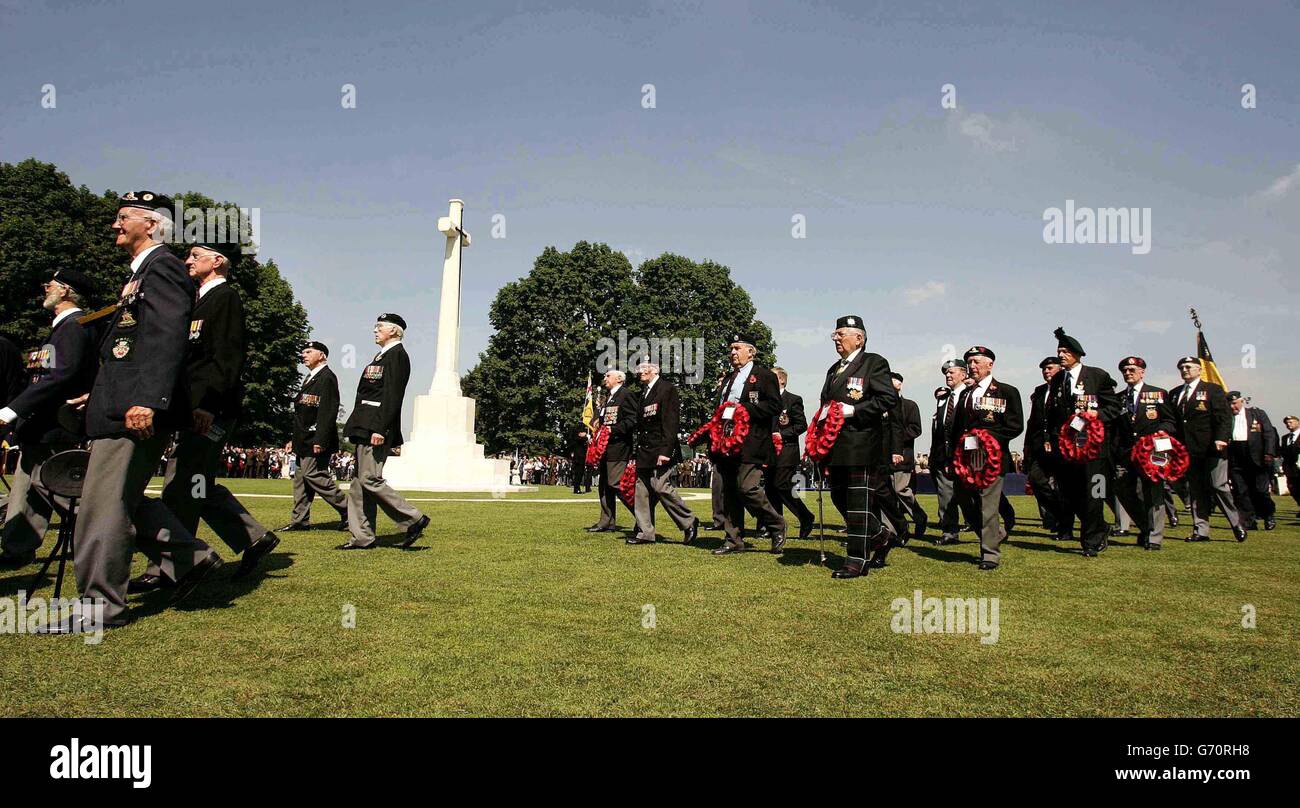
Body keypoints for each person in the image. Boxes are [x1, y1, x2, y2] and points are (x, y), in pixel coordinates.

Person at [63, 191, 224, 631]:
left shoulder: (164, 268)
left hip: (133, 410)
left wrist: (147, 399)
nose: (115, 225)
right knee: (125, 500)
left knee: (103, 506)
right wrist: (96, 393)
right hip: (117, 402)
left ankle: (99, 606)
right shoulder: (141, 274)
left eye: (123, 217)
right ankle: (192, 558)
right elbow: (127, 349)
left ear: (151, 224)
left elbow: (166, 338)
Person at [131, 241, 280, 592]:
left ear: (218, 261)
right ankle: (253, 539)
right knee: (195, 482)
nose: (187, 261)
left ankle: (171, 567)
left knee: (182, 484)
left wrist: (209, 406)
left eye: (195, 256)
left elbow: (226, 357)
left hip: (207, 410)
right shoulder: (196, 300)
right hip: (190, 408)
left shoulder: (225, 298)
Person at [0, 269, 97, 567]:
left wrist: (11, 410)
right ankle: (17, 549)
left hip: (57, 424)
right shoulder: (60, 328)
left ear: (66, 291)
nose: (45, 289)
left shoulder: (74, 327)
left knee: (61, 489)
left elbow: (58, 377)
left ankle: (109, 533)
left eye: (50, 285)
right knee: (27, 488)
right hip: (40, 424)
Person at [818, 315, 902, 578]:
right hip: (836, 445)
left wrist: (854, 410)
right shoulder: (834, 369)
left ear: (859, 337)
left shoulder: (873, 363)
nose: (836, 339)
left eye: (840, 333)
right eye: (834, 334)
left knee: (858, 501)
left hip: (861, 442)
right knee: (839, 497)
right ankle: (881, 535)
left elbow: (887, 398)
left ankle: (856, 560)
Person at [338, 313, 430, 550]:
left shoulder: (398, 356)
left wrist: (381, 428)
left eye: (379, 327)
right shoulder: (381, 356)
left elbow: (392, 395)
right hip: (364, 424)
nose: (375, 330)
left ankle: (414, 518)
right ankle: (362, 537)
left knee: (369, 478)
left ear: (394, 331)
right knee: (359, 484)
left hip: (376, 427)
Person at [1044, 327, 1122, 557]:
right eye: (1059, 351)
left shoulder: (1097, 376)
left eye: (1066, 351)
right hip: (1067, 449)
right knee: (1071, 494)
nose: (1061, 355)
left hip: (1094, 450)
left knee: (1095, 494)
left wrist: (1097, 415)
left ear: (1077, 354)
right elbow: (1052, 413)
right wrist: (1051, 438)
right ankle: (1099, 526)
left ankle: (1092, 541)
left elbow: (1114, 406)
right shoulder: (1058, 379)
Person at [711, 332, 786, 555]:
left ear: (750, 351)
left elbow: (774, 406)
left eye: (737, 348)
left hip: (752, 441)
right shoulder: (727, 378)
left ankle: (776, 524)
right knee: (729, 491)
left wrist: (745, 410)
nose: (732, 353)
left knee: (747, 487)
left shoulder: (764, 375)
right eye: (731, 348)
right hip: (727, 442)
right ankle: (733, 539)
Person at [950, 346, 1023, 570]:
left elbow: (1015, 425)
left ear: (990, 364)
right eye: (969, 362)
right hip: (967, 459)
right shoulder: (965, 393)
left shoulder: (1006, 391)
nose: (972, 366)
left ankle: (989, 553)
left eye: (976, 362)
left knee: (988, 505)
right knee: (964, 500)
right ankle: (996, 533)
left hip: (991, 458)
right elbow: (957, 429)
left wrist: (988, 438)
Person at [1170, 356, 1246, 542]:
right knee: (1196, 490)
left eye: (1188, 367)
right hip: (1188, 450)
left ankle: (1236, 523)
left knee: (1218, 486)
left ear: (1199, 369)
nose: (1184, 370)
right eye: (1181, 367)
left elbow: (1224, 417)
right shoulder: (1175, 393)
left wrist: (1222, 438)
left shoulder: (1213, 390)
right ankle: (1201, 530)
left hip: (1212, 449)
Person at [628, 360, 699, 544]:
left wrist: (666, 451)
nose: (639, 373)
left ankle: (689, 521)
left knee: (660, 486)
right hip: (644, 450)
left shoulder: (667, 389)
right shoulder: (644, 393)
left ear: (653, 370)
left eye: (643, 369)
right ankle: (645, 532)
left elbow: (670, 422)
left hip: (660, 448)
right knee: (641, 491)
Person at [281, 340, 349, 530]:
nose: (304, 355)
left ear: (322, 355)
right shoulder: (310, 378)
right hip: (303, 439)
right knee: (301, 481)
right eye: (303, 352)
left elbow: (328, 411)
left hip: (315, 439)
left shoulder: (327, 377)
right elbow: (302, 414)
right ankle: (299, 520)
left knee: (314, 475)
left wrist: (320, 439)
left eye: (309, 351)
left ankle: (349, 510)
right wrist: (292, 439)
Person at [1111, 356, 1177, 550]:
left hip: (1151, 453)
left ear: (1142, 371)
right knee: (1124, 491)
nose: (1128, 373)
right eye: (1125, 370)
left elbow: (1170, 421)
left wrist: (1163, 431)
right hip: (1126, 453)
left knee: (1154, 494)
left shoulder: (1158, 394)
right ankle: (1146, 527)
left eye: (1132, 369)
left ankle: (1154, 538)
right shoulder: (1119, 398)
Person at [930, 359, 978, 546]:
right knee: (945, 496)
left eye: (952, 372)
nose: (948, 375)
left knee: (971, 498)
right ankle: (949, 531)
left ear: (964, 374)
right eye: (946, 373)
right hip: (942, 456)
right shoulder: (944, 399)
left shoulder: (971, 395)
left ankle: (991, 530)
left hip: (964, 455)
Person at [585, 369, 638, 533]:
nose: (604, 378)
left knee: (617, 485)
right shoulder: (609, 398)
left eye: (608, 376)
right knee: (604, 486)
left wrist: (612, 431)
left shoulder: (626, 395)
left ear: (619, 379)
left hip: (618, 448)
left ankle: (643, 517)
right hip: (605, 450)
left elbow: (633, 419)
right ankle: (606, 521)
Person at [765, 366, 815, 538]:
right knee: (770, 488)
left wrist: (783, 434)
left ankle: (805, 516)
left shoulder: (793, 400)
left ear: (782, 380)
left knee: (782, 485)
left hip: (787, 449)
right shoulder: (766, 401)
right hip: (769, 450)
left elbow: (801, 425)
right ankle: (776, 526)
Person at [1023, 356, 1066, 537]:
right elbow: (1033, 421)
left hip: (1062, 445)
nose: (1046, 371)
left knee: (1064, 487)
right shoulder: (1040, 391)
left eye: (1050, 368)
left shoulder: (1067, 388)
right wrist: (1027, 446)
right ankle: (1060, 516)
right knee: (1036, 480)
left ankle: (1065, 526)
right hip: (1039, 446)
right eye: (1044, 369)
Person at [1226, 391, 1279, 531]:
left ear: (1241, 401)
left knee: (1260, 491)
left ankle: (1268, 515)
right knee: (1241, 491)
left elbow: (1269, 433)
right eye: (1230, 404)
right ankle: (1249, 521)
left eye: (1235, 403)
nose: (1232, 407)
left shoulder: (1257, 414)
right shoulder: (1226, 417)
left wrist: (1269, 453)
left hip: (1257, 456)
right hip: (1235, 456)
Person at [885, 372, 926, 540]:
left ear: (900, 385)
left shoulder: (909, 405)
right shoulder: (882, 406)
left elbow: (915, 429)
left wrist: (895, 439)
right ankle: (890, 531)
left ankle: (919, 516)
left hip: (902, 455)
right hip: (883, 456)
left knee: (900, 490)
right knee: (886, 494)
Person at [1279, 415, 1300, 512]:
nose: (1288, 424)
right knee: (1293, 489)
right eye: (1287, 423)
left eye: (1291, 422)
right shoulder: (1285, 438)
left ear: (1298, 423)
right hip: (1290, 469)